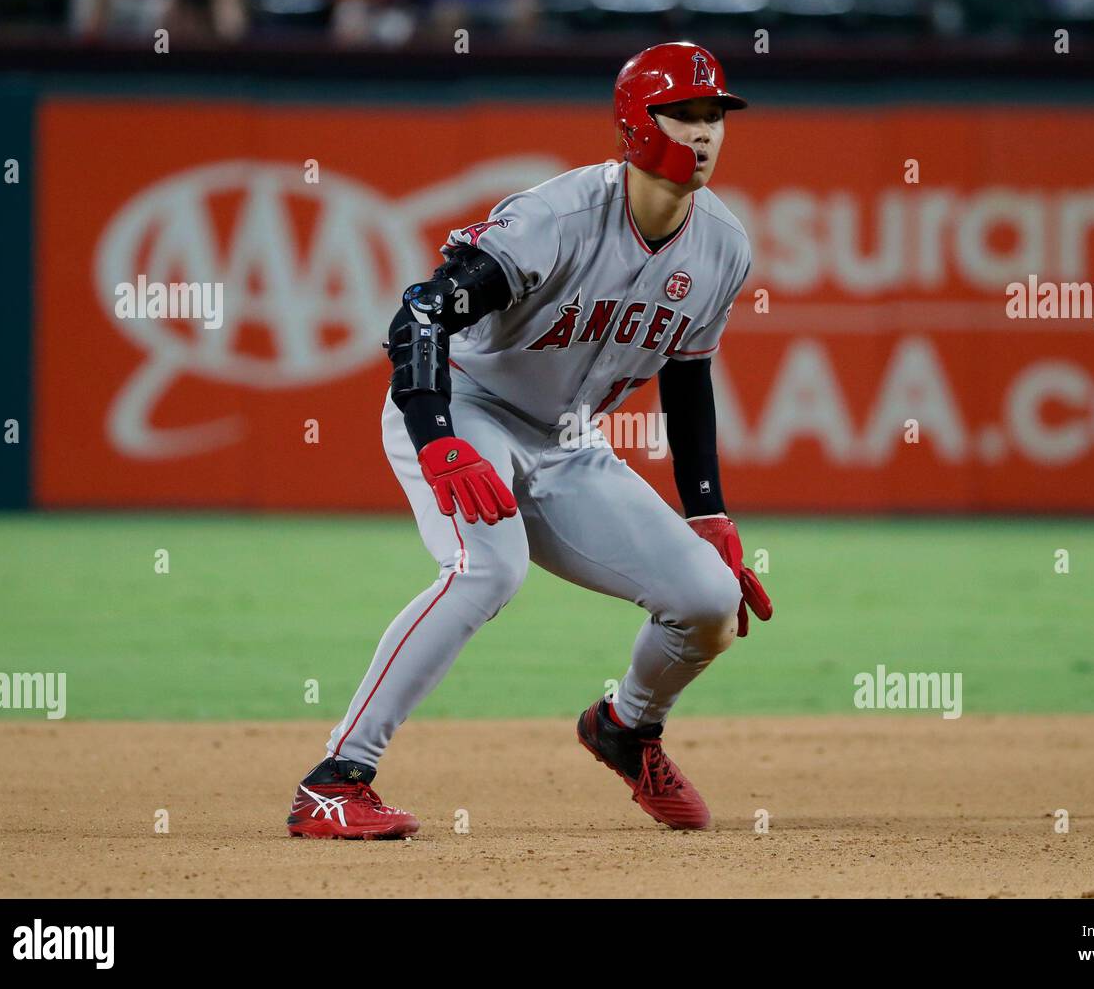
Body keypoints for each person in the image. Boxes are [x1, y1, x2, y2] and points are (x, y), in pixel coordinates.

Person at [287, 41, 773, 840]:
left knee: (708, 602)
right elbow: (418, 315)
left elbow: (689, 378)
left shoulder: (724, 245)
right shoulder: (558, 217)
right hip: (467, 408)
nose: (704, 130)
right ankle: (336, 780)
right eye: (683, 112)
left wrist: (708, 512)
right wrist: (439, 438)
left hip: (567, 440)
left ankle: (626, 726)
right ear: (634, 122)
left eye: (715, 113)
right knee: (488, 565)